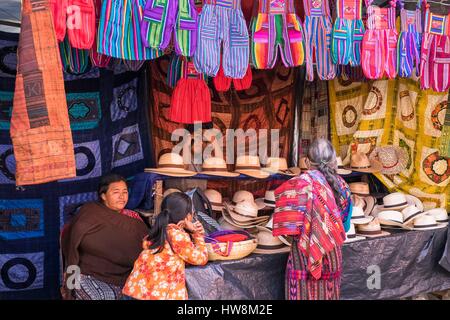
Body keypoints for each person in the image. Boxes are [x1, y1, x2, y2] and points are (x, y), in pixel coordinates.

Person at [273, 138, 352, 300]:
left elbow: (288, 227)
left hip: (302, 255)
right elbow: (345, 226)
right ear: (333, 160)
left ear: (308, 162)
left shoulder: (297, 184)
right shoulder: (343, 186)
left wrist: (311, 234)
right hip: (332, 254)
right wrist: (324, 233)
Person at [61, 173, 148, 300]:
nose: (122, 197)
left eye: (125, 192)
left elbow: (145, 247)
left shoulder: (133, 218)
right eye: (116, 192)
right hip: (87, 273)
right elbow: (74, 242)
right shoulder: (90, 212)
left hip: (125, 276)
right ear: (103, 196)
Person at [122, 192, 208, 300]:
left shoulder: (158, 232)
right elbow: (201, 259)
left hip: (134, 291)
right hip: (156, 296)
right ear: (187, 217)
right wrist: (197, 234)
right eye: (193, 214)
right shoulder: (177, 236)